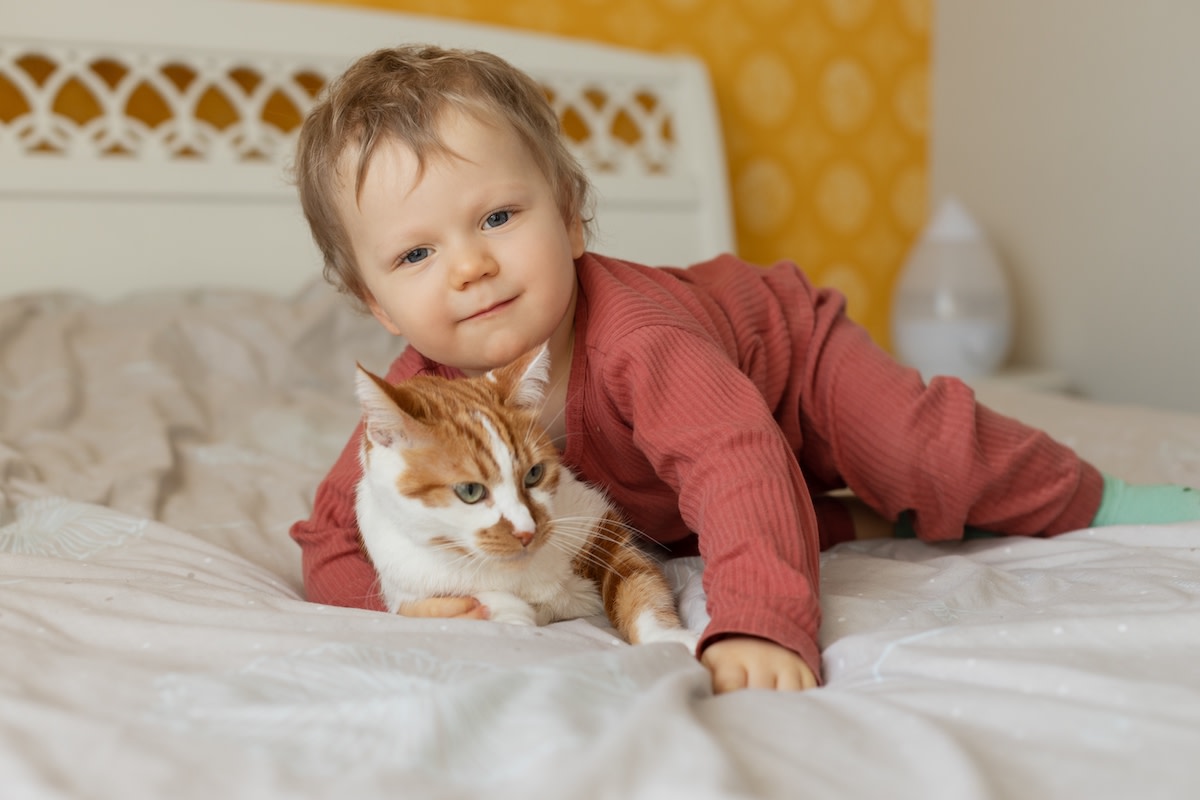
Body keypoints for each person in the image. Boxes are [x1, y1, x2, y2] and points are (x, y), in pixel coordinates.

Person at [289, 45, 1200, 694]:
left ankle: (1099, 499)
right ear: (375, 304)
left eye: (496, 218)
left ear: (570, 219)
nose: (468, 267)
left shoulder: (638, 338)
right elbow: (331, 537)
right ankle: (850, 515)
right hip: (674, 476)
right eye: (414, 256)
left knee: (927, 454)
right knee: (678, 527)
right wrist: (399, 602)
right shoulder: (414, 412)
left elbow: (737, 461)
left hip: (789, 365)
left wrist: (763, 622)